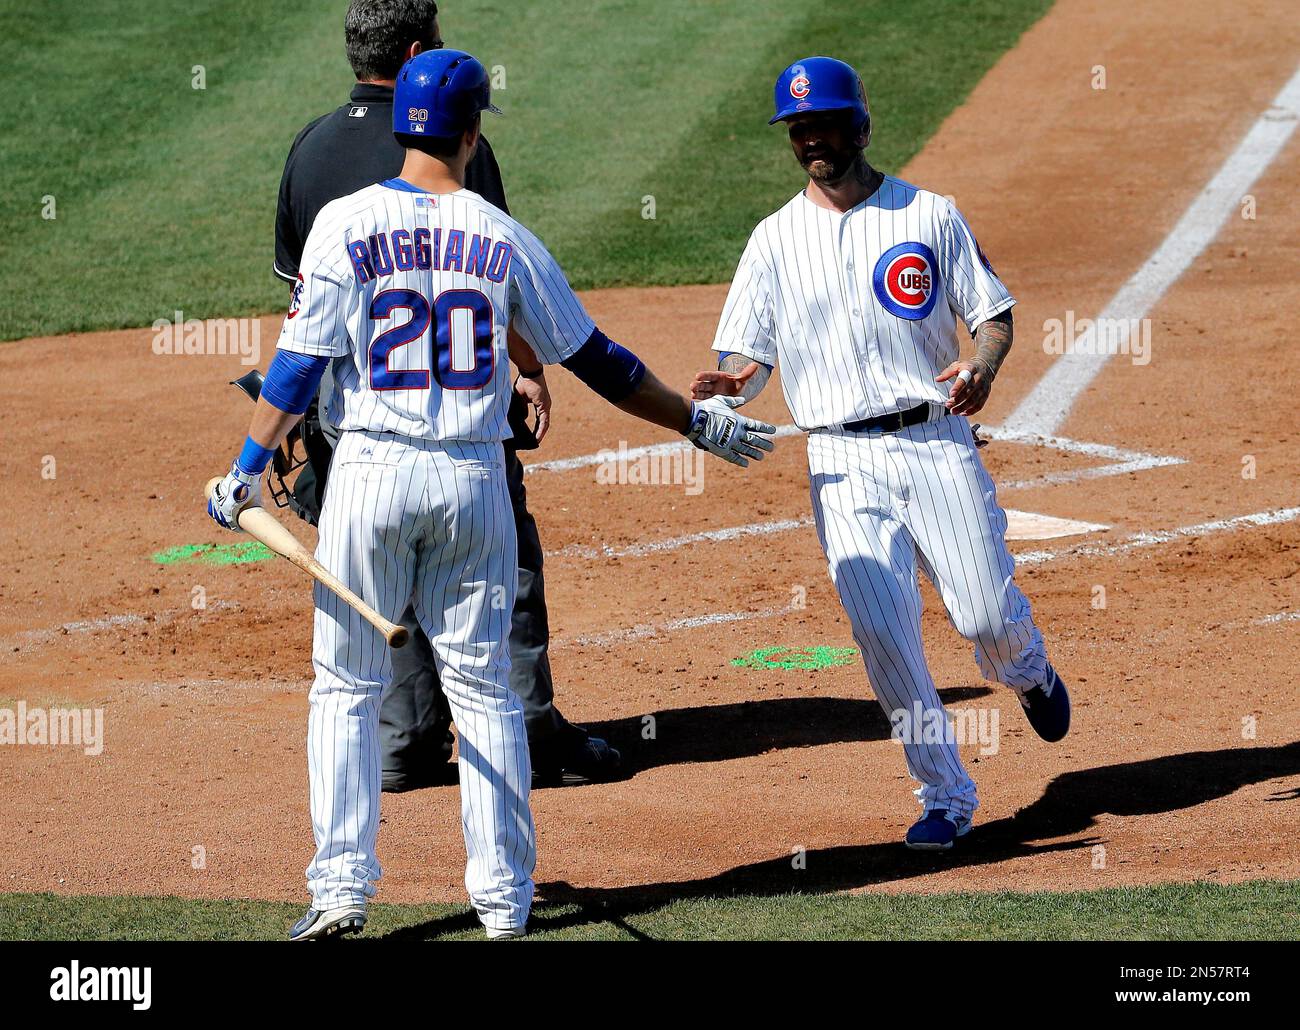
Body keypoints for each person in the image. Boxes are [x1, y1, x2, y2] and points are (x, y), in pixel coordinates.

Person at [208, 48, 774, 940]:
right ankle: (505, 902)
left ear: (404, 123)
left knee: (346, 687)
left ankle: (342, 891)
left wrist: (244, 467)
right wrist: (692, 424)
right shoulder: (500, 234)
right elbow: (599, 361)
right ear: (471, 133)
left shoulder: (344, 225)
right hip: (474, 481)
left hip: (371, 475)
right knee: (485, 691)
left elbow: (295, 368)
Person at [693, 56, 1071, 852]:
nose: (810, 141)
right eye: (798, 129)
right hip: (840, 462)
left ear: (859, 127)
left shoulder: (929, 214)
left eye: (822, 124)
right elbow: (748, 359)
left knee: (983, 616)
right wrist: (733, 386)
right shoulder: (772, 241)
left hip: (934, 444)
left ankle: (1027, 667)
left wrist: (982, 367)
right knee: (885, 636)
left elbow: (993, 315)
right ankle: (945, 792)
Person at [273, 0, 615, 790]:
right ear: (421, 48)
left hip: (346, 414)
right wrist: (529, 368)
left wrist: (286, 417)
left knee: (373, 576)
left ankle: (405, 743)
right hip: (460, 419)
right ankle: (529, 735)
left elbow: (301, 302)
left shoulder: (309, 149)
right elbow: (493, 278)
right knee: (503, 565)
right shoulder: (462, 136)